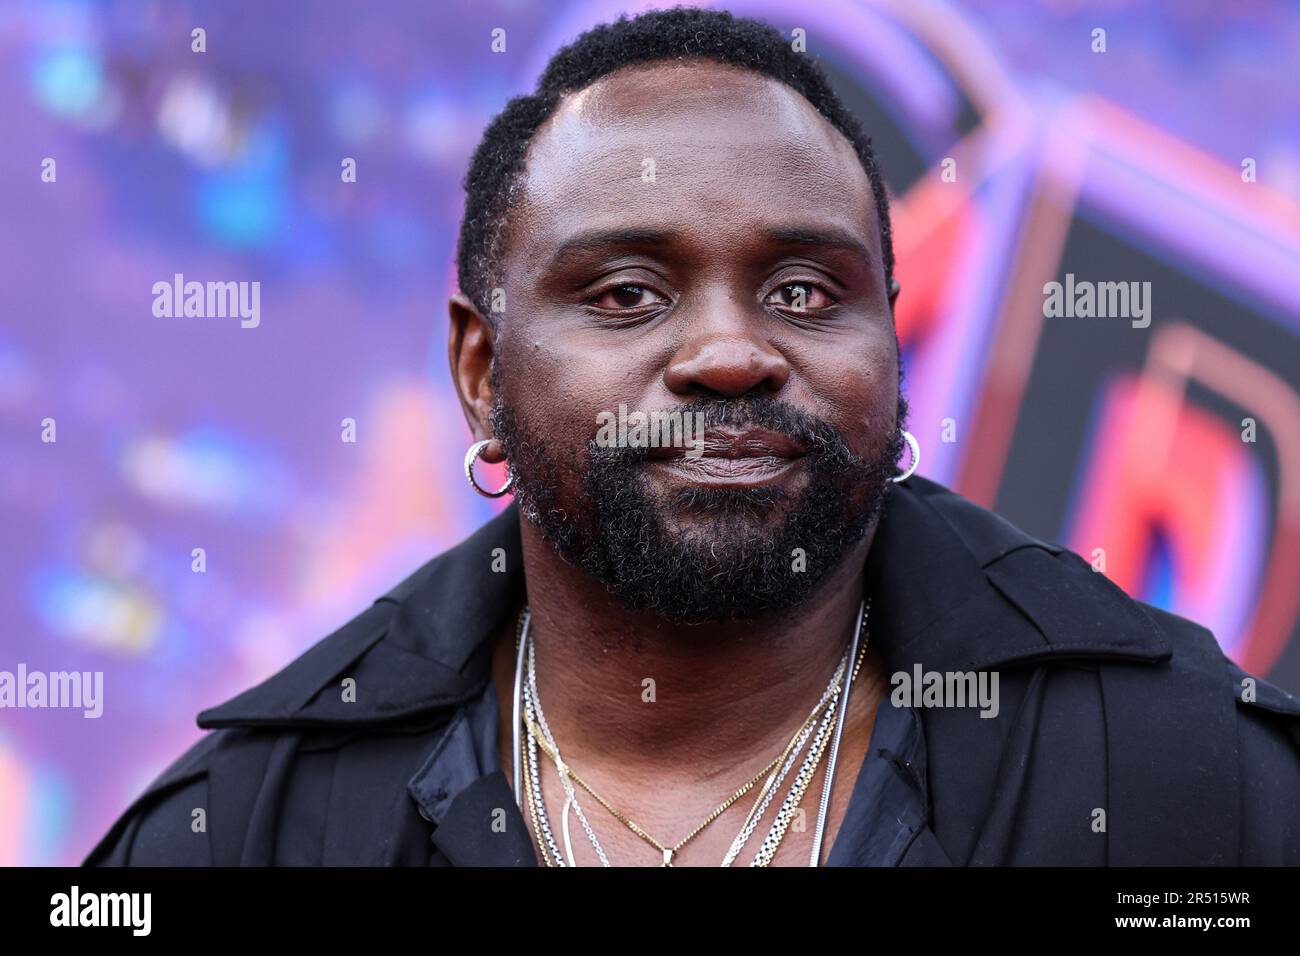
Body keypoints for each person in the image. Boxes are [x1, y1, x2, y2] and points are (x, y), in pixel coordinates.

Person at [85, 6, 1300, 868]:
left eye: (807, 293)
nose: (730, 352)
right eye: (625, 294)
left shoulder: (1188, 778)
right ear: (480, 371)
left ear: (896, 348)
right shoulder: (248, 825)